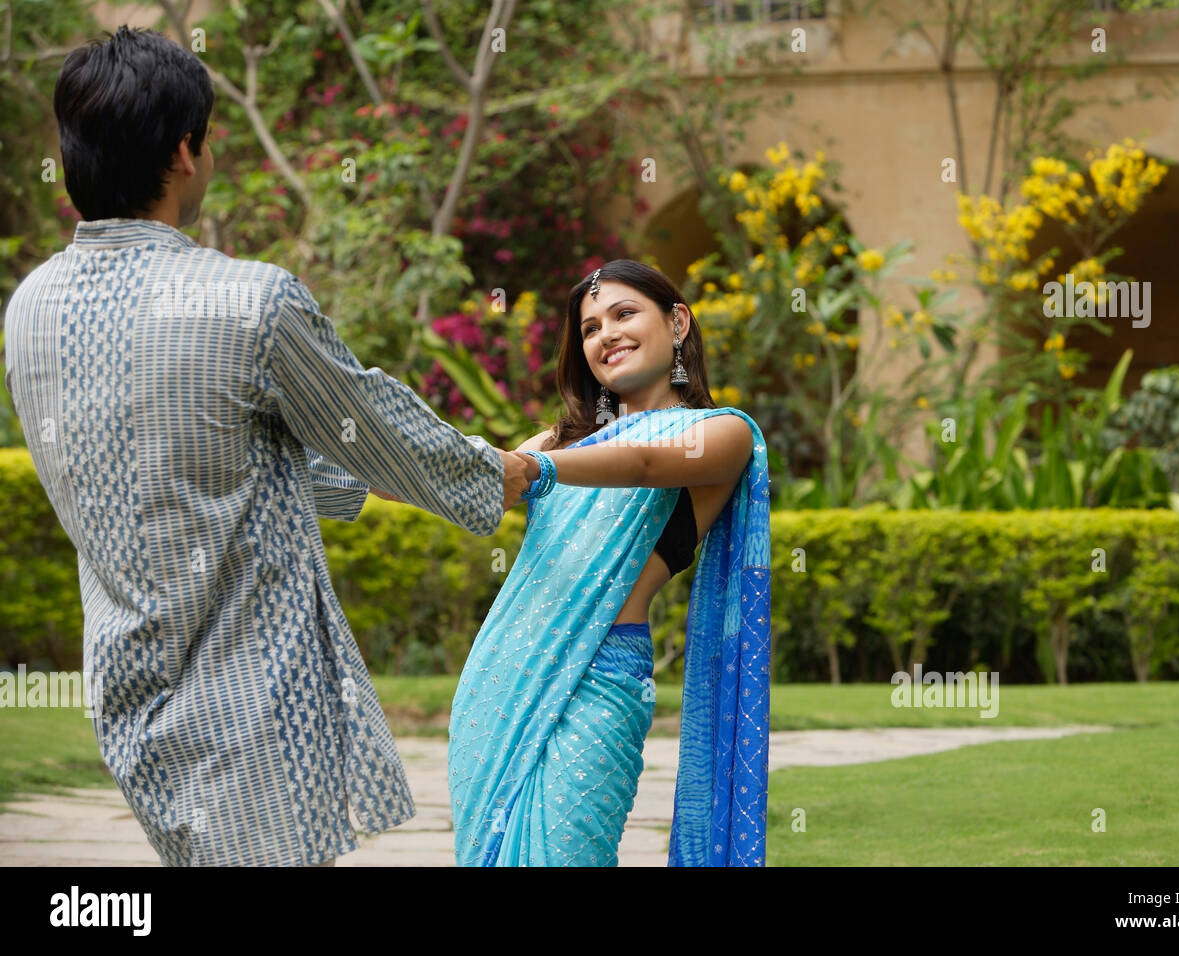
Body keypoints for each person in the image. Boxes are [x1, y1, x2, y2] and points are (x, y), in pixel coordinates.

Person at [2, 26, 531, 866]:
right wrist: (510, 473)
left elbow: (207, 463)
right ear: (185, 152)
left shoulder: (29, 311)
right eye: (209, 143)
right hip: (251, 709)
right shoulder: (248, 300)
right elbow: (371, 425)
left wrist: (373, 484)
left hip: (127, 702)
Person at [447, 259, 772, 866]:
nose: (606, 336)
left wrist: (533, 469)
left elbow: (644, 464)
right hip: (500, 673)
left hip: (601, 676)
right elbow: (468, 481)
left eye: (624, 314)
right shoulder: (558, 442)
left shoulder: (722, 433)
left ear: (677, 322)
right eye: (591, 327)